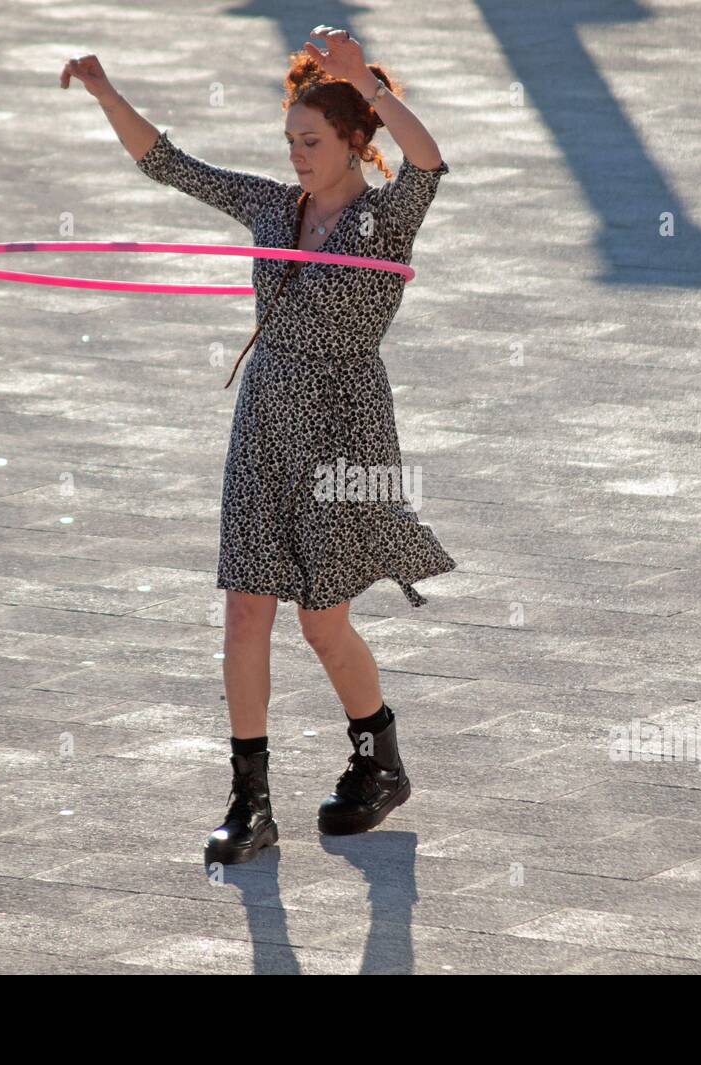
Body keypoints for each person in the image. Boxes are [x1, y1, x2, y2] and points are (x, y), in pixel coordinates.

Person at [60, 26, 456, 866]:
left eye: (312, 143)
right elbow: (175, 166)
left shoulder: (386, 219)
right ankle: (251, 801)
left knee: (322, 621)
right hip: (265, 419)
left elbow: (428, 161)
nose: (299, 157)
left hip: (343, 428)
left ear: (354, 141)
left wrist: (369, 82)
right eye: (291, 142)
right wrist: (105, 93)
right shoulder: (277, 208)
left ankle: (377, 755)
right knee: (246, 605)